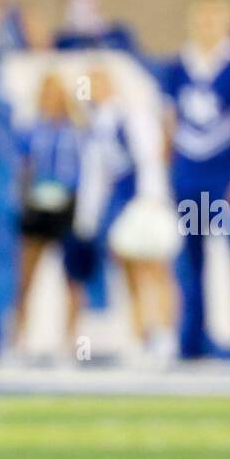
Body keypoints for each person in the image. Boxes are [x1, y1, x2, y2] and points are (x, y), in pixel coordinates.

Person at [160, 0, 230, 362]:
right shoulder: (178, 66)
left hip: (226, 179)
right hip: (188, 178)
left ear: (226, 21)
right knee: (190, 265)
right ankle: (191, 342)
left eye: (214, 17)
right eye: (201, 17)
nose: (207, 25)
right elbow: (169, 123)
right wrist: (164, 176)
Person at [77, 67, 178, 368]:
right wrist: (87, 220)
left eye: (98, 82)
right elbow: (95, 176)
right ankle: (140, 336)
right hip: (119, 207)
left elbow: (150, 159)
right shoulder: (97, 125)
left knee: (155, 269)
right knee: (130, 274)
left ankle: (165, 334)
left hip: (143, 202)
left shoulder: (131, 117)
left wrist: (151, 200)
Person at [10, 72, 83, 360]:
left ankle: (70, 343)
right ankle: (18, 341)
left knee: (72, 278)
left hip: (67, 207)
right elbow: (23, 169)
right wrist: (24, 199)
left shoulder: (76, 130)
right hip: (38, 207)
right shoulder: (31, 130)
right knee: (26, 277)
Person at [52, 0, 137, 53]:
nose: (82, 9)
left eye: (85, 1)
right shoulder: (63, 41)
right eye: (74, 4)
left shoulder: (118, 34)